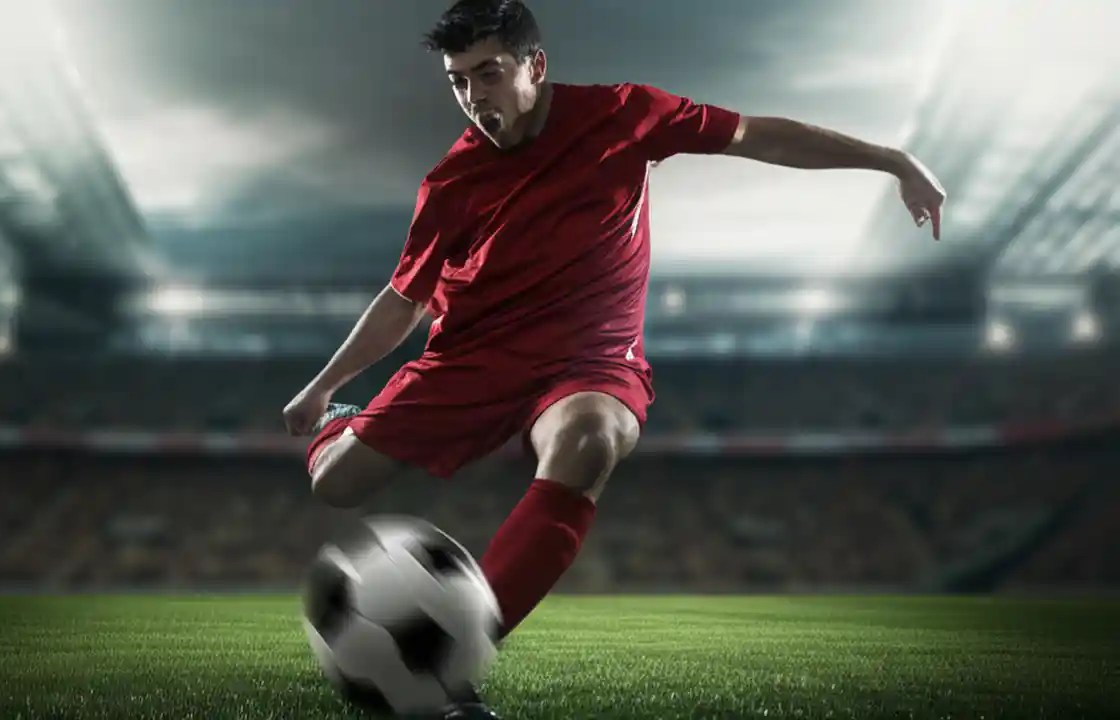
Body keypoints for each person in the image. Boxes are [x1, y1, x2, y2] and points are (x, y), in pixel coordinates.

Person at [283, 1, 946, 717]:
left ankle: (454, 660)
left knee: (590, 438)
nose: (474, 96)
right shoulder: (452, 184)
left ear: (535, 66)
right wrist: (324, 387)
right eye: (459, 81)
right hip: (477, 353)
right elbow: (404, 300)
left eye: (489, 73)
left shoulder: (625, 115)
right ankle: (340, 425)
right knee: (337, 484)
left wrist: (892, 159)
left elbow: (758, 136)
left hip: (591, 357)